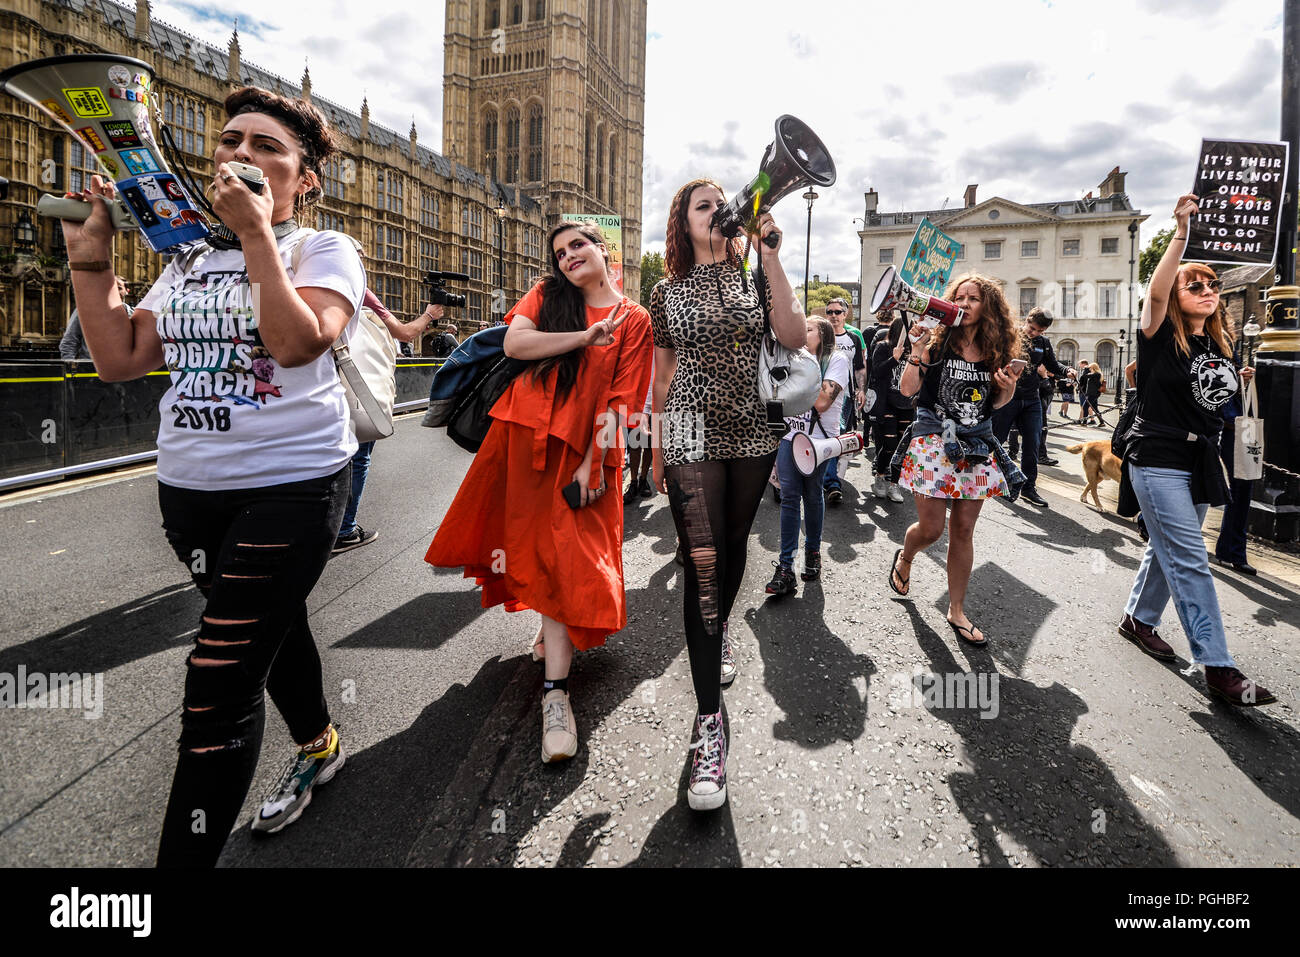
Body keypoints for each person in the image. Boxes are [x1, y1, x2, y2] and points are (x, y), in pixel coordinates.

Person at [63, 86, 363, 866]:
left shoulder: (323, 251)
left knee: (219, 680)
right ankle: (319, 740)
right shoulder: (189, 261)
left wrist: (258, 233)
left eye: (269, 147)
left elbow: (297, 343)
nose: (242, 153)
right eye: (231, 139)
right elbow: (120, 356)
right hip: (191, 492)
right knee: (271, 625)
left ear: (305, 180)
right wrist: (89, 259)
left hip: (293, 484)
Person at [426, 220, 652, 760]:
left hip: (583, 454)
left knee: (572, 557)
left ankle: (556, 682)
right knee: (535, 547)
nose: (570, 256)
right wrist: (582, 336)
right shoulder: (550, 295)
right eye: (560, 252)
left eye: (579, 245)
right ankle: (556, 684)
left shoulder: (636, 319)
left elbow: (623, 402)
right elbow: (516, 342)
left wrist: (594, 463)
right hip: (524, 434)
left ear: (604, 250)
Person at [649, 178, 806, 811]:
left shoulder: (754, 277)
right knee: (704, 566)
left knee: (735, 547)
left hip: (752, 423)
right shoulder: (666, 292)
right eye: (702, 205)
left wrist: (768, 251)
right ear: (683, 223)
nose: (716, 211)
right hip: (688, 424)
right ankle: (710, 725)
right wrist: (657, 445)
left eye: (722, 203)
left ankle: (718, 637)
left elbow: (793, 336)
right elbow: (662, 373)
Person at [1117, 193, 1273, 707]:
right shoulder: (1160, 334)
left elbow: (1208, 401)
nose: (1206, 290)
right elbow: (1158, 293)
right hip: (1158, 458)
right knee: (1190, 556)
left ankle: (1139, 619)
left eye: (1211, 284)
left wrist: (1236, 379)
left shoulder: (1219, 346)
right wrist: (1181, 232)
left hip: (1201, 460)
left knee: (1166, 550)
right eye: (1195, 284)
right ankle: (1218, 666)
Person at [887, 273, 1023, 648]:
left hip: (976, 444)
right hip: (934, 439)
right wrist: (917, 350)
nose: (964, 304)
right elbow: (907, 391)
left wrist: (1007, 391)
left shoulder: (998, 349)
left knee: (963, 530)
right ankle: (906, 556)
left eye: (973, 298)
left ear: (988, 307)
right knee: (931, 530)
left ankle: (957, 610)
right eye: (958, 297)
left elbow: (991, 405)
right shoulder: (935, 339)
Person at [333, 292, 445, 553]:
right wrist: (430, 314)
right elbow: (405, 333)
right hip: (347, 385)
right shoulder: (356, 284)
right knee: (358, 455)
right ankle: (344, 530)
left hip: (304, 384)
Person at [766, 315, 850, 595]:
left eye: (808, 329)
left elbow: (823, 402)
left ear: (823, 335)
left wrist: (799, 375)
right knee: (789, 498)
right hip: (789, 438)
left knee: (813, 497)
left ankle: (812, 552)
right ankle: (786, 566)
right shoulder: (793, 359)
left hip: (818, 442)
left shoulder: (835, 360)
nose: (801, 332)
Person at [991, 306, 1063, 508]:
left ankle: (1028, 488)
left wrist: (1068, 370)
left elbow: (1054, 366)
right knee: (998, 440)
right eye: (1032, 328)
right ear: (1026, 320)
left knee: (1033, 443)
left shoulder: (1044, 343)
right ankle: (996, 479)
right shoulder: (1009, 336)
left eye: (1039, 331)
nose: (1034, 333)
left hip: (1031, 399)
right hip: (1008, 396)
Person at [820, 297, 867, 505]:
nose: (833, 315)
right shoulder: (819, 337)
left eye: (837, 312)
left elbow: (859, 366)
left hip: (845, 397)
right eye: (829, 312)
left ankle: (831, 481)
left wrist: (861, 389)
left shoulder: (853, 338)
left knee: (836, 435)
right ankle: (827, 479)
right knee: (824, 435)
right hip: (820, 395)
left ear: (845, 314)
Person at [868, 311, 915, 502]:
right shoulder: (883, 347)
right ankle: (880, 476)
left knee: (902, 448)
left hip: (907, 404)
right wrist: (894, 359)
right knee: (889, 445)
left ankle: (895, 485)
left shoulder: (915, 351)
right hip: (887, 403)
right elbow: (876, 372)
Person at [61, 275, 131, 359]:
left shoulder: (133, 314)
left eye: (119, 288)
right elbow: (69, 341)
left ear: (127, 291)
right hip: (91, 368)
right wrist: (69, 366)